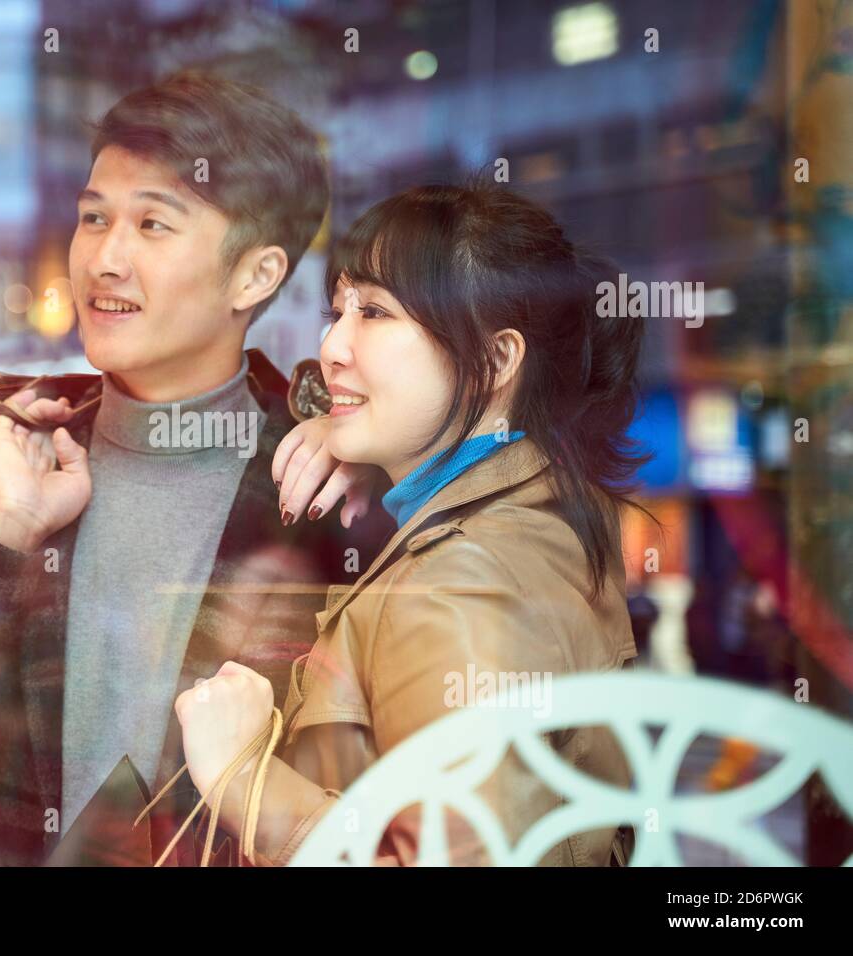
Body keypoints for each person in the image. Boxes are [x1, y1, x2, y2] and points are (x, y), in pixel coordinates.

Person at [0, 71, 389, 866]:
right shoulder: (1, 465)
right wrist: (0, 535)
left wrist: (364, 448)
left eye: (152, 224)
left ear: (256, 275)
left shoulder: (324, 491)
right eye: (94, 217)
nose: (105, 257)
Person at [174, 181, 649, 866]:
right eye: (337, 310)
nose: (333, 344)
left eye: (374, 312)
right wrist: (349, 437)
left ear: (494, 361)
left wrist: (244, 779)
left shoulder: (459, 582)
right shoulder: (544, 505)